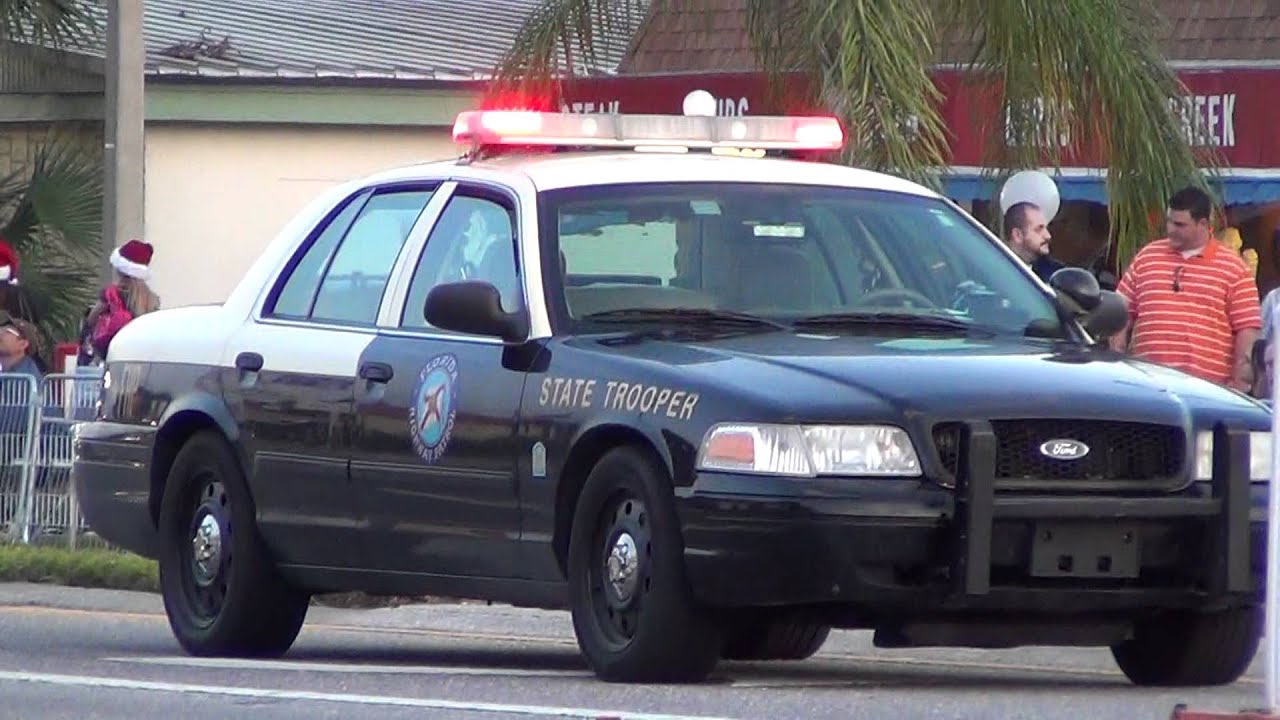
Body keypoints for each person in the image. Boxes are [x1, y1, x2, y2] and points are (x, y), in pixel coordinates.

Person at [1110, 186, 1262, 391]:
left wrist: (1239, 385)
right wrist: (1117, 358)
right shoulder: (1147, 257)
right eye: (1169, 222)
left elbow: (1247, 329)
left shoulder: (1234, 269)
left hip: (1208, 392)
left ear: (1203, 224)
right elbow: (1119, 310)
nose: (1171, 229)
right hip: (1147, 388)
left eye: (1180, 224)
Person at [82, 239, 160, 364]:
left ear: (119, 270)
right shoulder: (152, 300)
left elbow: (91, 319)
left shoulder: (111, 294)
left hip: (112, 355)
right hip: (138, 358)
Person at [1003, 201, 1064, 283]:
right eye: (1039, 229)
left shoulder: (1055, 274)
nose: (1048, 236)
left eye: (1046, 228)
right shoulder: (992, 271)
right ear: (1017, 235)